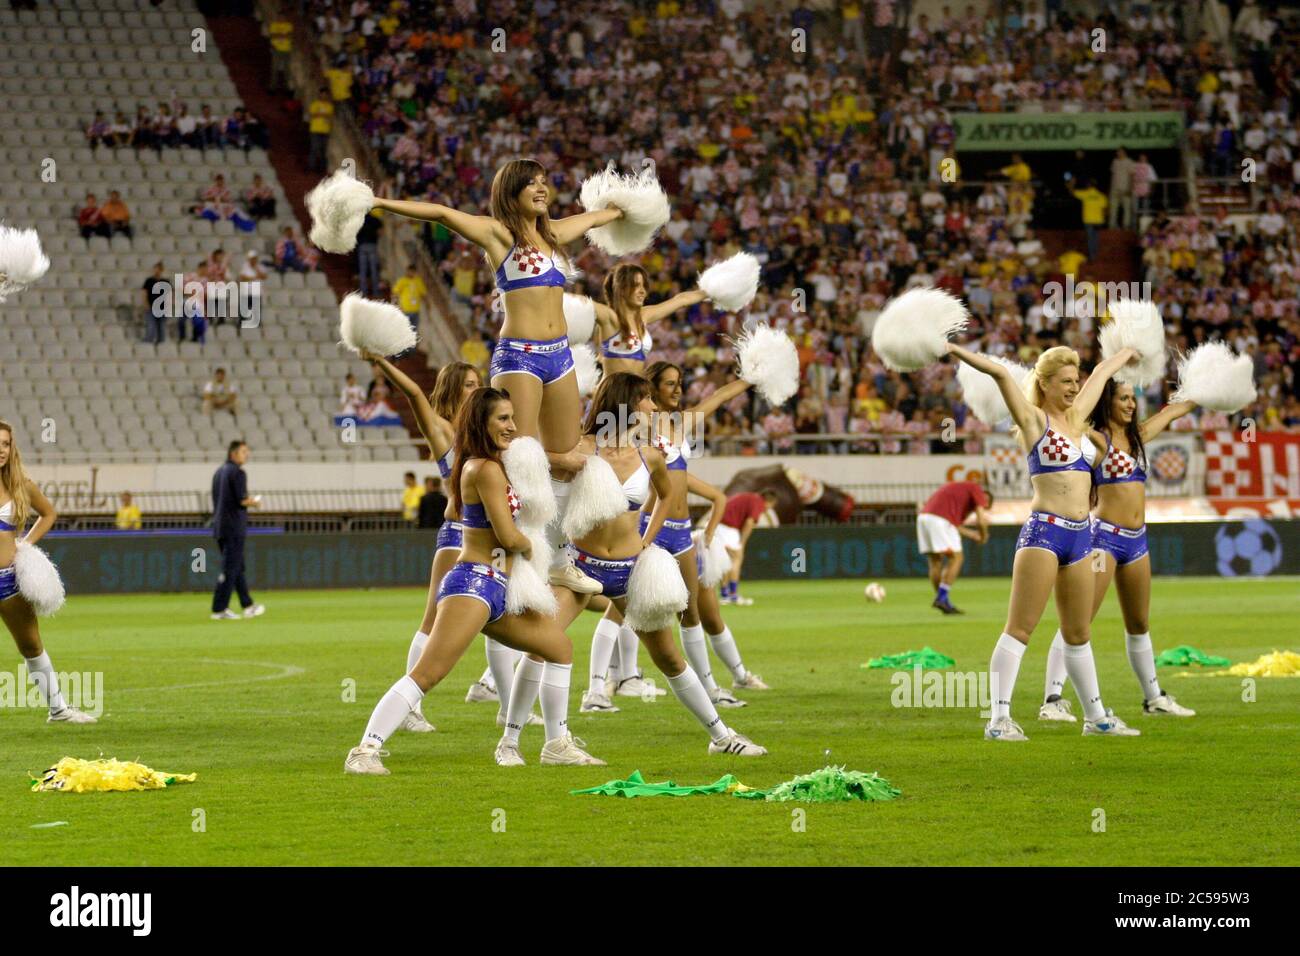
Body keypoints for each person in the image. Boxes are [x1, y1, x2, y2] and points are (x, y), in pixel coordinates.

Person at [370, 158, 627, 593]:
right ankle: (522, 556)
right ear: (512, 192)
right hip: (519, 356)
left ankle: (560, 557)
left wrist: (628, 209)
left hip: (560, 355)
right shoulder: (497, 234)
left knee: (566, 458)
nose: (542, 190)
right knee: (521, 458)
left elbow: (598, 217)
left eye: (546, 182)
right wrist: (376, 201)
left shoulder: (554, 233)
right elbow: (439, 213)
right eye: (532, 184)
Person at [498, 374, 767, 762]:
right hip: (581, 569)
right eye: (647, 401)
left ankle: (722, 735)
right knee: (541, 647)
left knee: (669, 658)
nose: (655, 408)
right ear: (627, 402)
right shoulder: (583, 448)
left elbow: (667, 495)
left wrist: (646, 540)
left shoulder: (650, 454)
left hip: (629, 571)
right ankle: (511, 742)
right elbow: (537, 466)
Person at [345, 387, 604, 774]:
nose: (512, 426)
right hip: (473, 584)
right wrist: (535, 548)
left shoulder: (487, 466)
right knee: (428, 674)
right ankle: (364, 750)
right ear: (481, 422)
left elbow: (457, 509)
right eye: (502, 418)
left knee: (559, 647)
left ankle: (556, 744)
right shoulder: (483, 468)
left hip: (496, 588)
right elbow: (507, 536)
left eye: (513, 417)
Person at [946, 342, 1141, 741]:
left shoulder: (1079, 416)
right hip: (1044, 533)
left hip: (1081, 536)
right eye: (1065, 381)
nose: (1073, 387)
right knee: (1020, 628)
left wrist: (1130, 352)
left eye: (1076, 381)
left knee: (1078, 632)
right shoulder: (1034, 420)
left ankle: (1096, 718)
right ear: (1046, 384)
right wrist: (951, 348)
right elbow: (1000, 373)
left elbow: (1102, 372)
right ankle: (998, 720)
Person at [582, 360, 766, 713]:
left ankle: (710, 687)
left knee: (689, 610)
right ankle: (599, 688)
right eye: (669, 384)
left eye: (680, 382)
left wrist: (750, 378)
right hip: (650, 524)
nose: (678, 389)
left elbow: (717, 398)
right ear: (648, 391)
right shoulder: (637, 426)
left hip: (681, 532)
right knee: (619, 611)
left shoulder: (680, 424)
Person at [1039, 382, 1197, 722]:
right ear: (1106, 401)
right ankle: (1052, 698)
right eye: (1123, 398)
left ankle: (1153, 697)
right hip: (1103, 541)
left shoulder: (1138, 435)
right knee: (1078, 620)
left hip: (1137, 541)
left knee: (1139, 623)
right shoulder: (1096, 438)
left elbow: (1174, 410)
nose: (1130, 404)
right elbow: (1068, 424)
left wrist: (1211, 389)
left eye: (1133, 398)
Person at [0, 421, 97, 724]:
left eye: (5, 444)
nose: (0, 450)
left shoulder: (21, 484)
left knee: (31, 645)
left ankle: (59, 710)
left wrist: (25, 545)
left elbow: (49, 513)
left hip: (8, 581)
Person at [586, 263, 709, 377]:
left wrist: (712, 290)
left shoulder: (644, 314)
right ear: (622, 289)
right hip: (616, 395)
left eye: (644, 285)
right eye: (636, 286)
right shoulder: (609, 317)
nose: (643, 291)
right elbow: (579, 303)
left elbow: (681, 300)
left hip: (636, 392)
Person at [917, 480, 992, 614]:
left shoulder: (959, 494)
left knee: (935, 561)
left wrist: (973, 535)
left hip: (923, 517)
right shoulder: (977, 490)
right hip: (939, 521)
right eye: (984, 507)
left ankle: (943, 601)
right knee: (956, 558)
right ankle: (941, 598)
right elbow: (981, 521)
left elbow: (955, 525)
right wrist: (984, 535)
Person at [210, 440, 265, 621]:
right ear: (233, 454)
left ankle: (247, 605)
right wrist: (255, 502)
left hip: (220, 526)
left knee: (237, 568)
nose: (246, 454)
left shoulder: (219, 472)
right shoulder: (238, 473)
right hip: (233, 527)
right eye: (243, 451)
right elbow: (242, 500)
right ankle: (219, 608)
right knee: (230, 569)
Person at [715, 489, 778, 606]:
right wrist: (742, 542)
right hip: (728, 528)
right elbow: (749, 523)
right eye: (771, 506)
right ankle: (733, 595)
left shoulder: (750, 497)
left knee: (726, 560)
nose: (768, 509)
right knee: (736, 559)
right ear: (769, 501)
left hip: (719, 525)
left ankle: (725, 595)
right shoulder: (758, 502)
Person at [1071, 177, 1108, 261]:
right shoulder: (1101, 196)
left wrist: (1072, 184)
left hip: (1088, 220)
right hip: (1098, 220)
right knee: (1096, 237)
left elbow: (1073, 192)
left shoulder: (1086, 194)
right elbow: (1105, 209)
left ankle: (1092, 256)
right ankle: (1095, 253)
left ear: (1089, 185)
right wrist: (1104, 220)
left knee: (1090, 238)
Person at [392, 263, 426, 333]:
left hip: (416, 310)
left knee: (414, 330)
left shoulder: (418, 280)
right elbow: (395, 293)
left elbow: (423, 293)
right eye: (410, 271)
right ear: (407, 271)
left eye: (413, 272)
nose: (411, 273)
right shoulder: (402, 281)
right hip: (405, 309)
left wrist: (427, 304)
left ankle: (412, 344)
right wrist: (396, 304)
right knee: (405, 329)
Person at [142, 262, 169, 346]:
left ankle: (161, 344)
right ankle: (148, 343)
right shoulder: (149, 281)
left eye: (158, 269)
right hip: (151, 307)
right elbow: (144, 293)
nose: (156, 271)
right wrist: (146, 304)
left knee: (161, 327)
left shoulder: (165, 281)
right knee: (151, 326)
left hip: (162, 308)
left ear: (161, 270)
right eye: (155, 269)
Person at [307, 86, 333, 172]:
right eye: (322, 94)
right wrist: (322, 114)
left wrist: (320, 114)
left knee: (323, 150)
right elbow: (312, 115)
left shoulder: (329, 106)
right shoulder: (314, 104)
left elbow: (329, 117)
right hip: (315, 129)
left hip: (325, 130)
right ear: (319, 95)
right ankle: (311, 166)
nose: (324, 96)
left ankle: (321, 168)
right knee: (314, 148)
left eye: (325, 95)